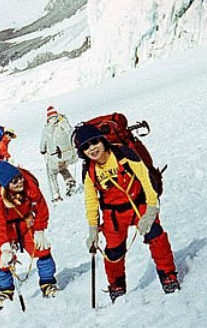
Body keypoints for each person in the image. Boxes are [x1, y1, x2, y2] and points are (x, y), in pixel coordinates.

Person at [73, 123, 179, 300]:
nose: (91, 148)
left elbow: (146, 179)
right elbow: (91, 201)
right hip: (113, 214)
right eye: (85, 147)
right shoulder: (89, 170)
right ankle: (117, 286)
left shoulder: (123, 154)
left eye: (94, 142)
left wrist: (151, 210)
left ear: (102, 140)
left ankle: (168, 275)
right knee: (114, 252)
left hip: (139, 205)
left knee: (156, 236)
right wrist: (93, 229)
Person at [0, 161, 58, 308]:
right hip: (7, 230)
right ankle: (5, 291)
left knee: (42, 250)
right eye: (14, 181)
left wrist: (39, 230)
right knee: (3, 260)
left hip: (26, 225)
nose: (19, 182)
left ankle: (48, 283)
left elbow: (41, 208)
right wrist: (4, 248)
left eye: (19, 178)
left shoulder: (30, 187)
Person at [39, 105, 78, 203]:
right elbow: (71, 133)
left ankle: (56, 195)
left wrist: (42, 150)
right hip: (67, 155)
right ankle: (70, 181)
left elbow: (43, 144)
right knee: (63, 168)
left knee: (52, 173)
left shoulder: (47, 129)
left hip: (54, 157)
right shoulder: (64, 124)